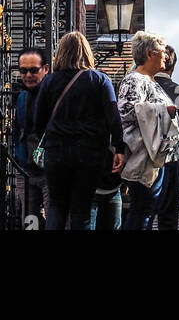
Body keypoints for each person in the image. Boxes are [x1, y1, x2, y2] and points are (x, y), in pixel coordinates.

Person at [33, 31, 125, 231]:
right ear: (86, 52)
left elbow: (38, 121)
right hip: (90, 154)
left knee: (57, 207)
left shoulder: (49, 81)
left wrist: (51, 139)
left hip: (56, 153)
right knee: (81, 211)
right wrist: (119, 148)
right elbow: (113, 117)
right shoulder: (100, 80)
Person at [117, 32, 179, 230]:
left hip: (163, 159)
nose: (166, 56)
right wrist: (164, 110)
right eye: (162, 52)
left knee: (152, 211)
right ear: (149, 53)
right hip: (148, 160)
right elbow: (126, 110)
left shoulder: (150, 81)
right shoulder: (134, 80)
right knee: (143, 211)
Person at [152, 45, 179, 230]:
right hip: (171, 160)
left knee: (144, 214)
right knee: (168, 220)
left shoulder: (146, 87)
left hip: (147, 159)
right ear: (173, 67)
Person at [13, 46, 49, 225]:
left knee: (55, 220)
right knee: (30, 221)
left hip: (50, 170)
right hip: (26, 169)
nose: (28, 75)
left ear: (46, 69)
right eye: (23, 70)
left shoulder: (52, 95)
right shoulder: (22, 98)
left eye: (33, 70)